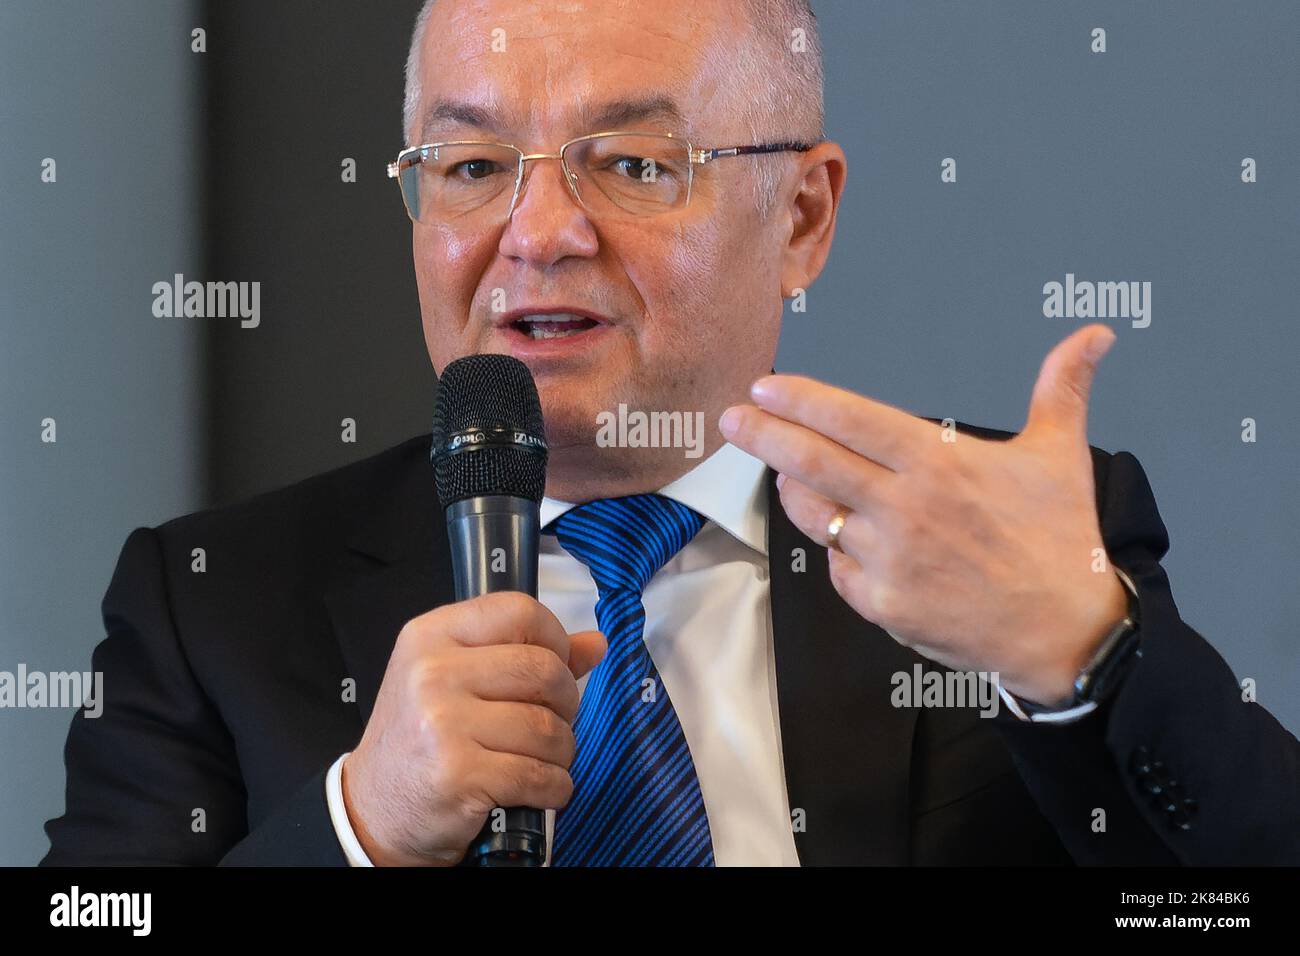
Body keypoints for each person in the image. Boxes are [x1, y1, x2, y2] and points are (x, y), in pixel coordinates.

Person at [43, 0, 1299, 866]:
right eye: (472, 166)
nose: (537, 233)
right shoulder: (213, 602)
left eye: (632, 165)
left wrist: (1085, 661)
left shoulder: (991, 530)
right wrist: (362, 826)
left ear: (801, 214)